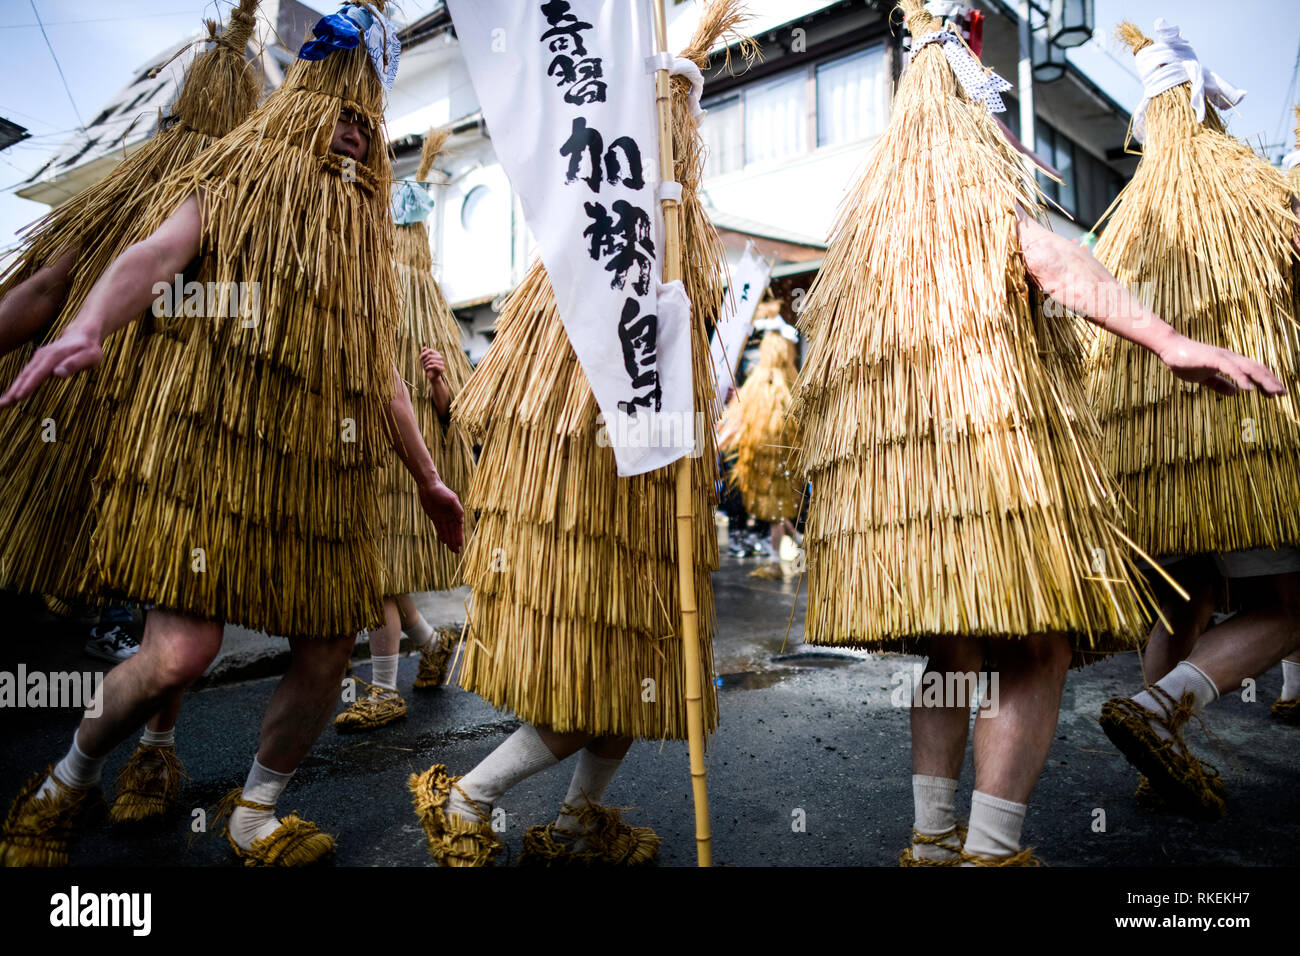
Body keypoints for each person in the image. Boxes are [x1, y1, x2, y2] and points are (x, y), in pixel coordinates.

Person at [791, 1, 1285, 866]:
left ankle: (933, 839)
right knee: (1034, 645)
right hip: (988, 459)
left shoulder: (860, 241)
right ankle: (989, 851)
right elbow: (1052, 258)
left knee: (949, 650)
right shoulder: (971, 192)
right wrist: (1171, 341)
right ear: (978, 127)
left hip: (899, 488)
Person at [0, 1, 464, 868]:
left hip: (322, 478)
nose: (354, 132)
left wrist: (430, 479)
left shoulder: (363, 240)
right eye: (340, 112)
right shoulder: (238, 182)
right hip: (213, 459)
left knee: (329, 648)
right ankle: (64, 780)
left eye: (367, 121)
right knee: (178, 655)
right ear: (299, 101)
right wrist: (92, 321)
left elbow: (384, 377)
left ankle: (253, 811)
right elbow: (152, 256)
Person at [407, 4, 753, 867]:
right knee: (586, 699)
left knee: (638, 690)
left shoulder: (677, 256)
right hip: (587, 531)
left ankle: (573, 824)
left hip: (643, 525)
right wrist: (458, 401)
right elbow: (503, 414)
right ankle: (467, 797)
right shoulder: (580, 275)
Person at [0, 0, 264, 831]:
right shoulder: (171, 197)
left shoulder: (243, 203)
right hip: (112, 424)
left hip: (166, 437)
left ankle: (148, 749)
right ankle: (117, 759)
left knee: (172, 625)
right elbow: (47, 293)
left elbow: (38, 292)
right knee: (165, 625)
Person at [1088, 21, 1300, 817]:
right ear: (1209, 107)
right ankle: (1157, 712)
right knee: (1285, 609)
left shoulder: (1126, 219)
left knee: (1183, 599)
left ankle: (1155, 762)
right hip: (1244, 438)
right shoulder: (1258, 193)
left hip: (1150, 456)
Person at [335, 128, 475, 731]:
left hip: (402, 467)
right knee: (381, 572)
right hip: (377, 458)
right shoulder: (374, 297)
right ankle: (431, 642)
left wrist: (440, 386)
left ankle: (384, 690)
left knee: (378, 577)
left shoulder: (423, 312)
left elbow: (459, 414)